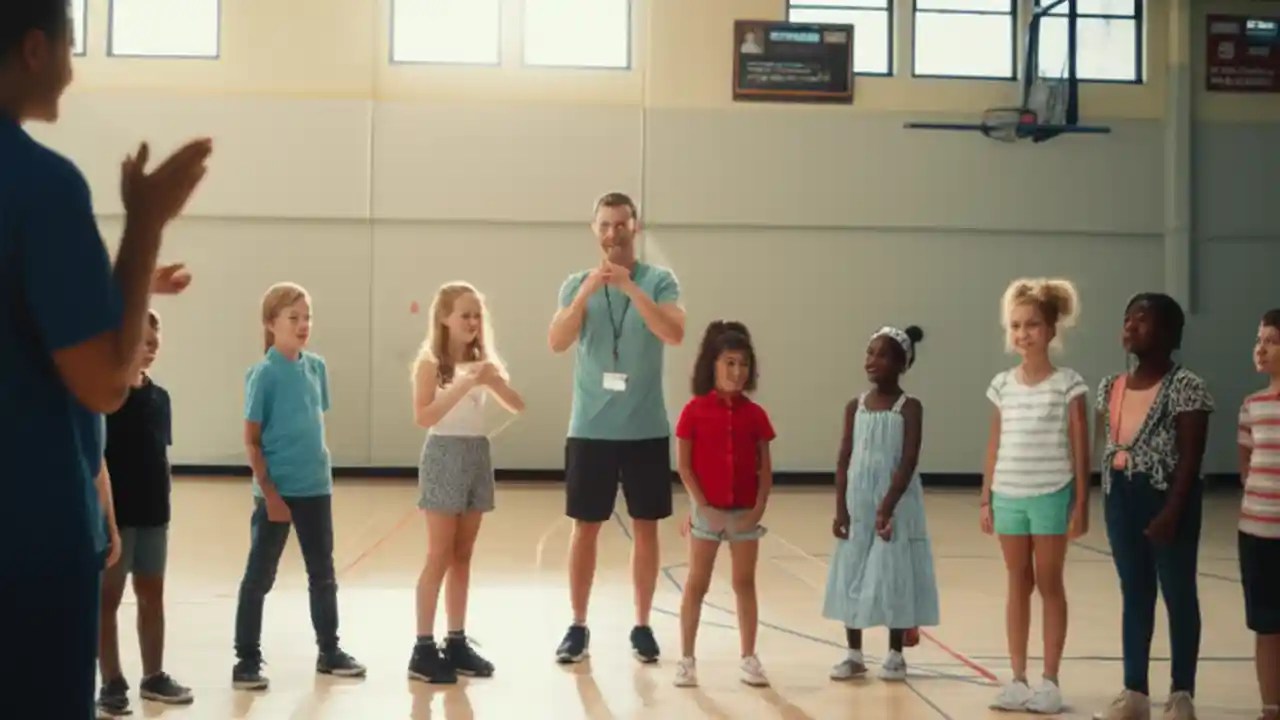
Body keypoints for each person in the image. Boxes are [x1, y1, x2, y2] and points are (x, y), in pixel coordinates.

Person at [0, 2, 210, 715]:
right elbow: (105, 381)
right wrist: (146, 221)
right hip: (27, 536)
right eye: (69, 44)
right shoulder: (40, 185)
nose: (72, 65)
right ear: (35, 48)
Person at [547, 191, 686, 664]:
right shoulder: (574, 284)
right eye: (604, 225)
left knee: (647, 528)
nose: (613, 233)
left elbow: (674, 332)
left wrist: (630, 288)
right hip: (590, 428)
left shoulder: (659, 280)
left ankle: (643, 624)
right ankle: (578, 625)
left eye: (621, 224)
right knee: (585, 528)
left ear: (635, 226)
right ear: (594, 229)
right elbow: (557, 341)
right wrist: (589, 291)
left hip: (645, 427)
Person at [232, 282, 365, 690]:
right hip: (278, 491)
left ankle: (330, 650)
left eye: (307, 317)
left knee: (322, 572)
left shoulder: (316, 368)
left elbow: (312, 420)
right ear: (272, 324)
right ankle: (247, 660)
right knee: (259, 577)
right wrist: (270, 493)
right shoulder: (264, 375)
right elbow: (252, 440)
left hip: (315, 487)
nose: (303, 324)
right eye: (294, 317)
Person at [1092, 293, 1212, 720]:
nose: (1130, 326)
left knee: (1178, 592)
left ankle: (1181, 693)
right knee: (1135, 592)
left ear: (1168, 333)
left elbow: (1191, 458)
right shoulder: (1111, 386)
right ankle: (1135, 692)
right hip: (1120, 495)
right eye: (1127, 319)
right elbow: (1108, 443)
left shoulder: (1186, 386)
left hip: (1167, 497)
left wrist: (1172, 511)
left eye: (1141, 320)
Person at [408, 282, 525, 684]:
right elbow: (424, 416)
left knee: (463, 554)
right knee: (438, 554)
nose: (473, 322)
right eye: (464, 314)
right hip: (443, 454)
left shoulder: (483, 363)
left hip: (476, 455)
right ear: (445, 318)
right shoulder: (430, 363)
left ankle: (455, 640)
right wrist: (463, 384)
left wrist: (490, 380)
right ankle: (423, 647)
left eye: (477, 314)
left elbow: (517, 405)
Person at [983, 279, 1090, 714]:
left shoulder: (1069, 384)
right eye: (1016, 326)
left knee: (1049, 582)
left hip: (1050, 494)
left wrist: (1081, 502)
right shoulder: (1001, 385)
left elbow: (1080, 446)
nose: (1023, 333)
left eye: (1032, 325)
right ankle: (1018, 679)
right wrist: (986, 498)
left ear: (1050, 329)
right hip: (1008, 495)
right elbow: (994, 443)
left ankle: (1050, 680)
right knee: (1016, 584)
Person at [823, 325, 939, 682]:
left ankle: (895, 653)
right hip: (858, 504)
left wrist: (887, 506)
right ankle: (854, 653)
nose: (873, 360)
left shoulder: (910, 407)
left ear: (902, 364)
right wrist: (841, 507)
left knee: (893, 574)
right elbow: (844, 457)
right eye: (870, 352)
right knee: (852, 571)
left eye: (883, 355)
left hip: (897, 505)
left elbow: (908, 461)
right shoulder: (854, 406)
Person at [97, 309, 192, 716]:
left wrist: (166, 506)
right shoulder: (106, 398)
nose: (151, 345)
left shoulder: (160, 398)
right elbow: (97, 460)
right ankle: (111, 683)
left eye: (156, 338)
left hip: (155, 515)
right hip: (117, 519)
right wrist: (107, 520)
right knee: (108, 601)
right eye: (143, 338)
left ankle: (153, 677)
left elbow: (161, 457)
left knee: (152, 596)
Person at [672, 321, 775, 689]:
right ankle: (686, 659)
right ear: (713, 365)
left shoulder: (756, 415)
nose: (736, 372)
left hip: (745, 512)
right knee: (696, 583)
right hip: (707, 513)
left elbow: (765, 468)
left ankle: (749, 657)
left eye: (743, 364)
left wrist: (759, 507)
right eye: (729, 363)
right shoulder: (694, 411)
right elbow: (684, 466)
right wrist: (704, 507)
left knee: (744, 583)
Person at [1237, 309, 1280, 720]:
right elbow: (1247, 465)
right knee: (1267, 626)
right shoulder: (1252, 406)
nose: (1260, 347)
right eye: (1259, 339)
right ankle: (1271, 708)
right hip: (1256, 533)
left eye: (1271, 339)